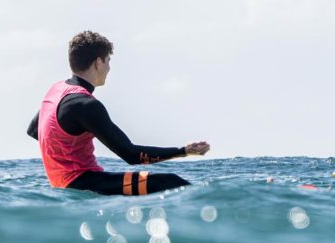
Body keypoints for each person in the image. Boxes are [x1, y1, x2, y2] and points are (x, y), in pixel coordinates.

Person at [26, 30, 210, 195]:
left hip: (61, 184)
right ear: (98, 62)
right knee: (171, 182)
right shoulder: (85, 105)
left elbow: (34, 130)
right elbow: (131, 155)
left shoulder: (56, 90)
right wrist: (184, 151)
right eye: (108, 61)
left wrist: (64, 156)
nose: (109, 68)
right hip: (82, 183)